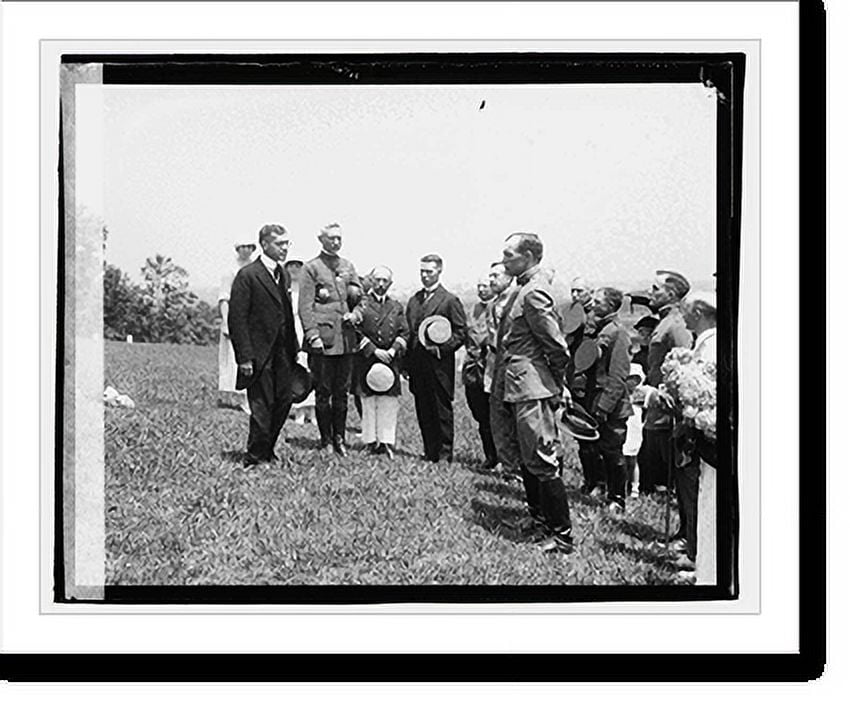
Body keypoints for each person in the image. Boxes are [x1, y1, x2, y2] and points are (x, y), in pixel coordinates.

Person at [490, 232, 574, 554]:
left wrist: (556, 384)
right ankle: (539, 521)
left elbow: (555, 345)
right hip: (518, 385)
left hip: (532, 387)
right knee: (528, 458)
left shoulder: (535, 291)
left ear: (527, 256)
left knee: (541, 458)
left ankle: (561, 535)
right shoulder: (523, 288)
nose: (505, 259)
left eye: (509, 254)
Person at [227, 224, 298, 468]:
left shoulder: (283, 274)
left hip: (283, 352)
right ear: (265, 244)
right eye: (280, 244)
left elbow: (286, 312)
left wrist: (294, 349)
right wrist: (244, 357)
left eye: (287, 244)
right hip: (259, 353)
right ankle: (255, 456)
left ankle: (268, 449)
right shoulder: (248, 275)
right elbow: (237, 318)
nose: (285, 249)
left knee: (284, 401)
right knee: (261, 404)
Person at [298, 223, 362, 456]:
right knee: (323, 391)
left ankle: (340, 438)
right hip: (322, 340)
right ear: (321, 239)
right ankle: (325, 439)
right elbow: (305, 306)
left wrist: (356, 314)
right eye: (331, 238)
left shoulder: (348, 266)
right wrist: (312, 334)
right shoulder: (311, 268)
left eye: (339, 238)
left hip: (345, 340)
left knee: (342, 392)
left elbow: (359, 298)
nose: (336, 242)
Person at [405, 254, 468, 463]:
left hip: (439, 366)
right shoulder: (414, 300)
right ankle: (429, 450)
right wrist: (406, 365)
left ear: (439, 271)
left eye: (429, 272)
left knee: (441, 409)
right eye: (422, 271)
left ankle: (444, 453)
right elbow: (409, 333)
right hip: (417, 365)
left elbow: (461, 333)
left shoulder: (450, 300)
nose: (425, 276)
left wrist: (441, 350)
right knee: (423, 408)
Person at [576, 287, 634, 512]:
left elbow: (618, 375)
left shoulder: (618, 332)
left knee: (612, 452)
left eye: (598, 302)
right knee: (594, 448)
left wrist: (605, 406)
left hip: (612, 406)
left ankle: (617, 499)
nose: (594, 305)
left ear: (610, 306)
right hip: (593, 401)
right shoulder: (598, 329)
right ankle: (598, 486)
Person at [350, 266, 409, 459]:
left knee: (388, 403)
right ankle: (370, 442)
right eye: (377, 280)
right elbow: (355, 331)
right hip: (367, 359)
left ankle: (386, 442)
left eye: (385, 280)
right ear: (371, 281)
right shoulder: (362, 305)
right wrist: (374, 351)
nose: (381, 284)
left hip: (390, 361)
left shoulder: (397, 306)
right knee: (368, 402)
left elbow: (404, 332)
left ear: (390, 283)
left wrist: (392, 351)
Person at [682, 290, 718, 584]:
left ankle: (709, 577)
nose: (682, 316)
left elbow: (706, 396)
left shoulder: (711, 347)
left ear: (698, 313)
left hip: (711, 437)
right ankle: (704, 569)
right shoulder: (704, 344)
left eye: (685, 311)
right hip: (705, 435)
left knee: (710, 504)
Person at [462, 273, 498, 469]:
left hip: (491, 368)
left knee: (496, 417)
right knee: (481, 416)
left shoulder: (498, 307)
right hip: (473, 369)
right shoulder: (473, 309)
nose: (482, 289)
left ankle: (504, 459)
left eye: (485, 286)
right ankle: (490, 457)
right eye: (479, 286)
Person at [217, 241, 256, 414]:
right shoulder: (231, 271)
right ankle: (242, 398)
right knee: (236, 357)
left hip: (253, 319)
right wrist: (226, 321)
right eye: (243, 247)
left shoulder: (256, 267)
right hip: (236, 317)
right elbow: (224, 298)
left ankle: (252, 396)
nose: (246, 250)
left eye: (250, 247)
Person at [484, 262, 515, 474]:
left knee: (513, 419)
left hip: (511, 366)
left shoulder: (516, 301)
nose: (492, 280)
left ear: (509, 277)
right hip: (494, 365)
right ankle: (507, 464)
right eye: (490, 276)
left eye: (496, 275)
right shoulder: (493, 304)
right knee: (498, 417)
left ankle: (518, 468)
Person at [284, 247, 316, 426]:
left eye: (298, 265)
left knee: (310, 371)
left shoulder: (308, 290)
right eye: (291, 265)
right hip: (291, 333)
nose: (295, 269)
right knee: (295, 373)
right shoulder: (285, 289)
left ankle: (312, 411)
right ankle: (298, 411)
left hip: (306, 332)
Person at [624, 363, 645, 497]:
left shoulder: (640, 395)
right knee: (623, 458)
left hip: (635, 425)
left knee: (633, 459)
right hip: (626, 423)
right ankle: (625, 484)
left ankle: (635, 486)